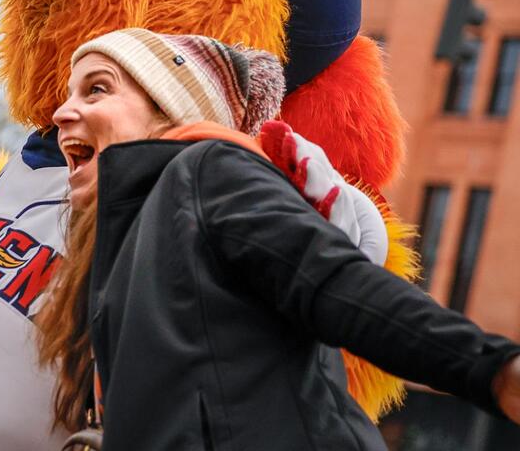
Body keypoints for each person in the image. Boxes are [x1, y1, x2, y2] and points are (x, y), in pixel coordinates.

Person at [38, 27, 520, 450]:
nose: (62, 113)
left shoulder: (207, 170)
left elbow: (336, 282)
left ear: (169, 108)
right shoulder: (129, 240)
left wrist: (491, 369)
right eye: (69, 94)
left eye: (97, 89)